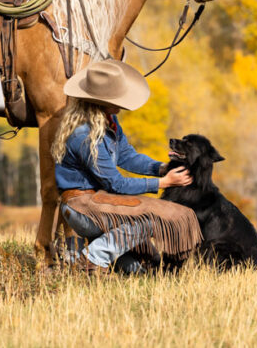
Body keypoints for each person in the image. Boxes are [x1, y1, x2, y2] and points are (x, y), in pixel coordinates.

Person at [53, 59, 201, 274]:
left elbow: (127, 156)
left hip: (99, 203)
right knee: (151, 218)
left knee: (144, 268)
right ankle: (91, 258)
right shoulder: (84, 135)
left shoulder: (109, 122)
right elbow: (116, 184)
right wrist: (163, 182)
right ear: (99, 102)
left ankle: (99, 256)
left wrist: (161, 168)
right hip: (82, 208)